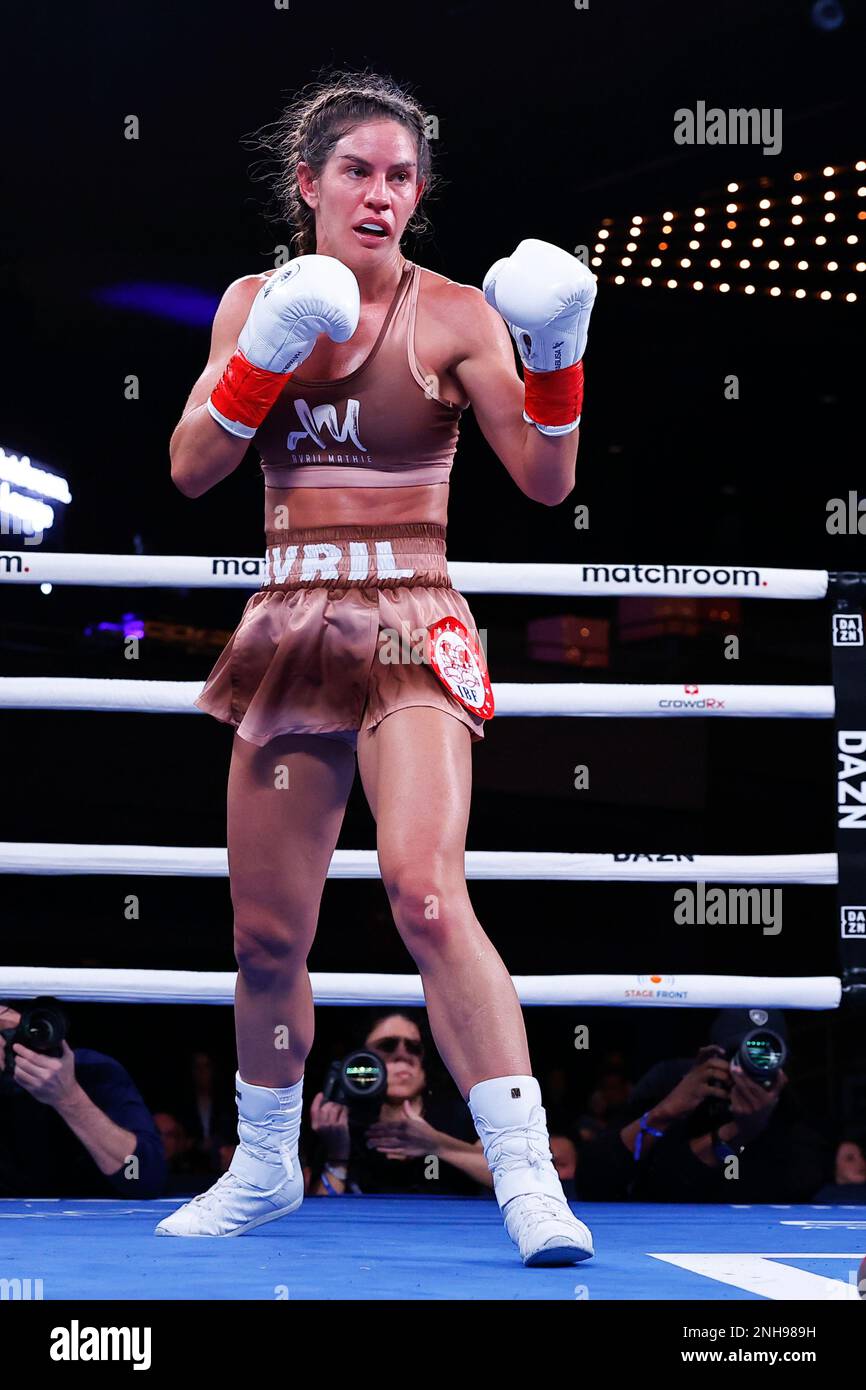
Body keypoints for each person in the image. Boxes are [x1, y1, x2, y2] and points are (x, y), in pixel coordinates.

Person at [158, 69, 597, 1266]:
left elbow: (547, 482)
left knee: (421, 889)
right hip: (295, 613)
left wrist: (553, 350)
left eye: (400, 176)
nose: (380, 194)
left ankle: (526, 1180)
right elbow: (192, 466)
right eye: (355, 170)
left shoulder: (455, 314)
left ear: (418, 192)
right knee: (265, 936)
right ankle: (262, 1167)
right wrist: (260, 356)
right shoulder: (253, 299)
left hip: (411, 613)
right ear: (308, 184)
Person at [577, 1009, 829, 1203]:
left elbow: (801, 1185)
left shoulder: (790, 1104)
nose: (753, 1066)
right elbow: (594, 1181)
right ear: (713, 1056)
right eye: (738, 1055)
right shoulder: (673, 1083)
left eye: (767, 1056)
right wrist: (664, 1113)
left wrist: (742, 1132)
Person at [308, 1010, 491, 1196]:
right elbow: (319, 1217)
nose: (403, 1055)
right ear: (362, 1058)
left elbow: (507, 1175)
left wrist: (437, 1145)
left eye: (414, 1048)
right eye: (388, 1046)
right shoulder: (340, 1123)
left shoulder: (458, 1116)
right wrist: (337, 1155)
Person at [0, 1000, 166, 1199]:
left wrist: (69, 1098)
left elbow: (143, 1176)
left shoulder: (94, 1071)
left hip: (94, 1223)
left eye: (16, 1034)